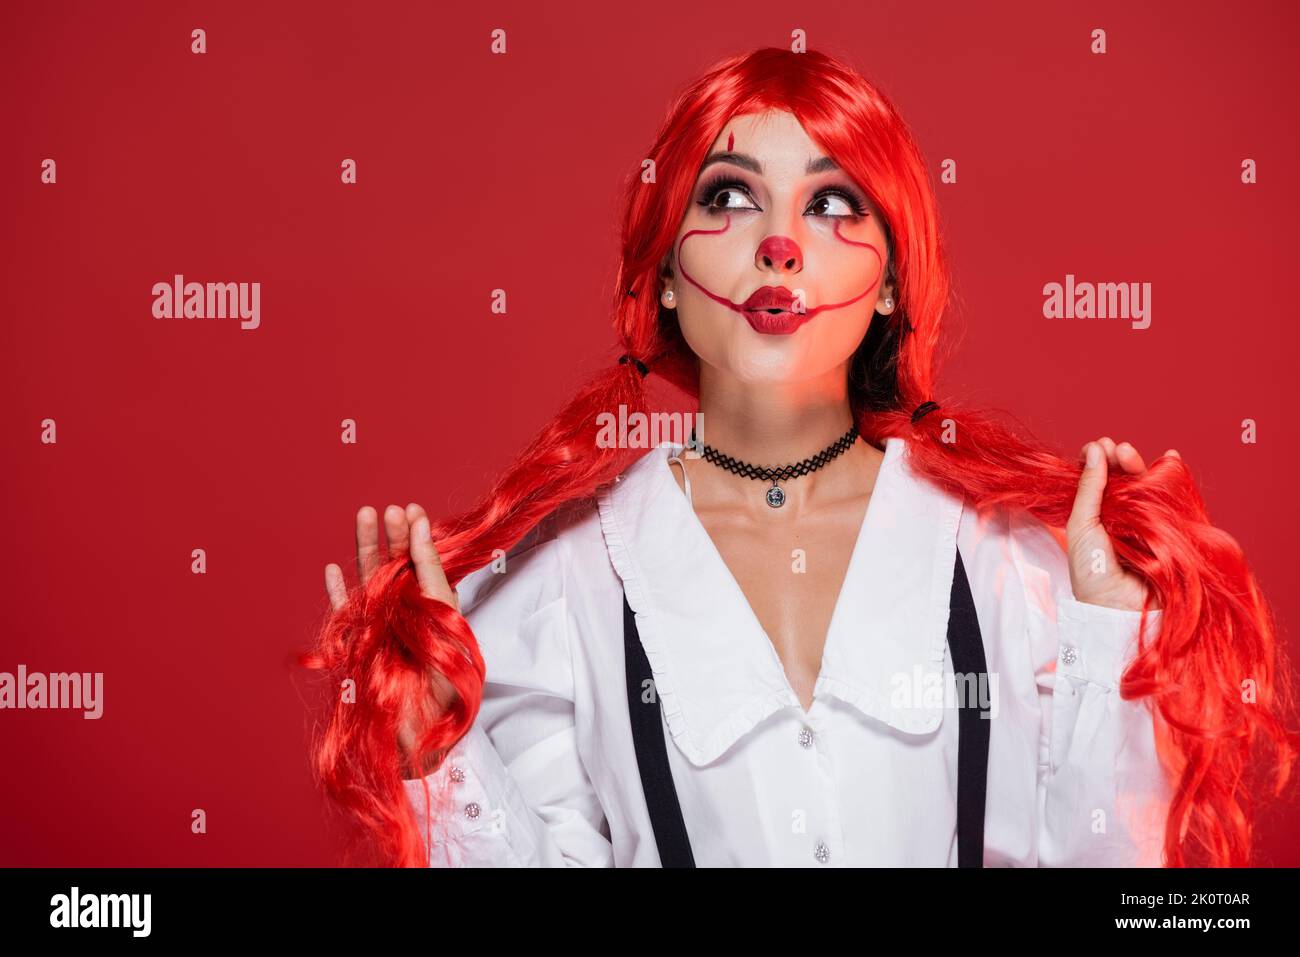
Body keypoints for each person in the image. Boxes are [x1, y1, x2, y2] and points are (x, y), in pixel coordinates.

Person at [302, 47, 1296, 868]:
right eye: (730, 197)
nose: (779, 244)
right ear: (667, 280)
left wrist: (1110, 631)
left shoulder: (1012, 564)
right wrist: (439, 764)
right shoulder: (559, 592)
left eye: (832, 206)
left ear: (892, 285)